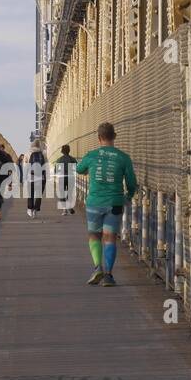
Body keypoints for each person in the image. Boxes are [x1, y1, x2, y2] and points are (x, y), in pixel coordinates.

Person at [75, 122, 137, 287]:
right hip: (115, 202)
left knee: (94, 235)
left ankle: (97, 267)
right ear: (114, 136)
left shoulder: (92, 155)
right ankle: (108, 275)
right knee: (110, 238)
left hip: (94, 202)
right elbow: (132, 182)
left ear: (99, 138)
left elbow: (79, 169)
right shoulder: (123, 157)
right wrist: (128, 196)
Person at [24, 141, 46, 219]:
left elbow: (25, 166)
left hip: (31, 176)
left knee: (31, 194)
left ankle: (30, 209)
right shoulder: (43, 153)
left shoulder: (27, 153)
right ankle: (36, 209)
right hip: (41, 177)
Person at [54, 144, 78, 216]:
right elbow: (77, 168)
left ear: (62, 151)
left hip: (62, 178)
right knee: (70, 193)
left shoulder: (59, 160)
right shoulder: (73, 159)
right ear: (69, 151)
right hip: (71, 177)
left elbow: (56, 171)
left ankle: (64, 210)